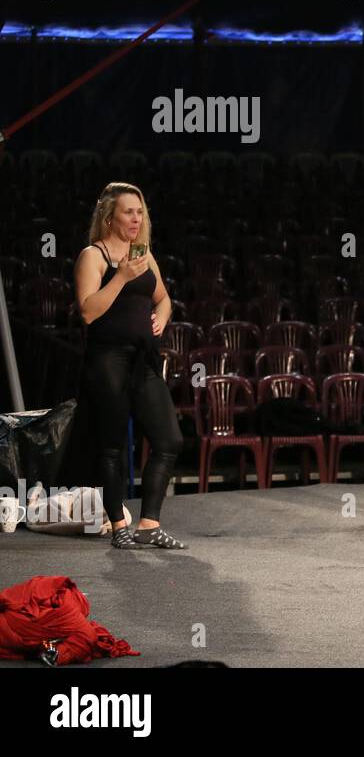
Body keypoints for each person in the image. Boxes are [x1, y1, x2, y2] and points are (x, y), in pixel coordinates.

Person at [73, 183, 186, 549]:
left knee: (169, 439)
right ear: (109, 216)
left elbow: (164, 297)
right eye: (128, 212)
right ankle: (119, 523)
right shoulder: (94, 255)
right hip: (108, 358)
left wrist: (162, 316)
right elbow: (88, 312)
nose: (136, 218)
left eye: (140, 212)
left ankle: (149, 524)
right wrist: (120, 276)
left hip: (143, 359)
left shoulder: (144, 254)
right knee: (111, 446)